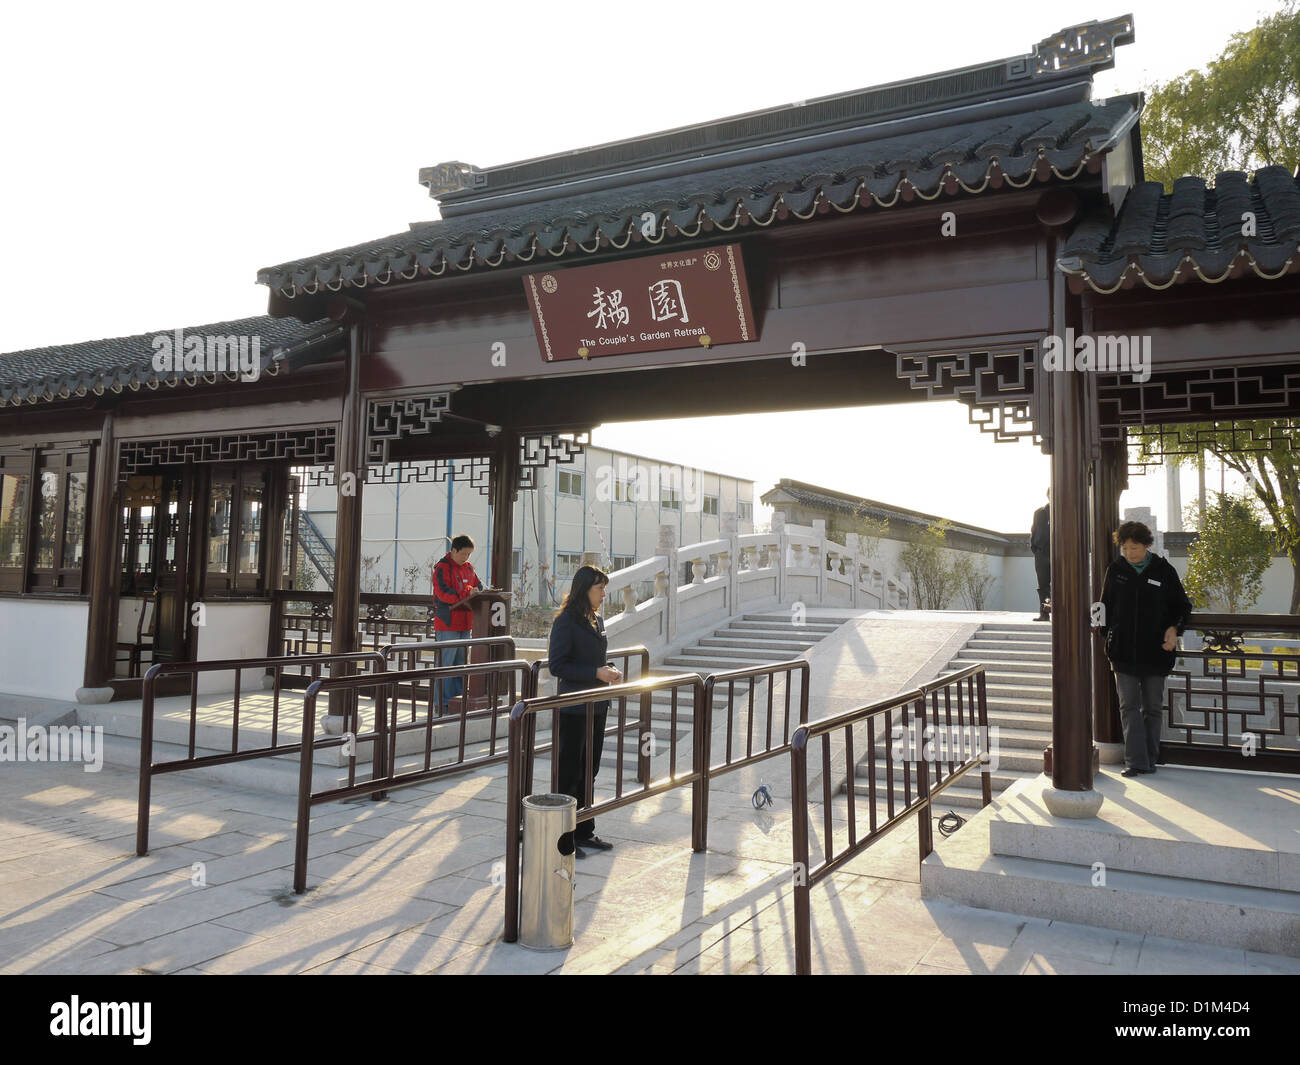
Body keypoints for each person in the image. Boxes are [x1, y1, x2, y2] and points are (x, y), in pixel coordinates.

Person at [1097, 520, 1193, 778]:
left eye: (1135, 548)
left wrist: (1175, 629)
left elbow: (1182, 606)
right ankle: (1136, 761)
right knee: (1128, 706)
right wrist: (1108, 636)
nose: (1130, 554)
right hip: (1123, 652)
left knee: (1152, 706)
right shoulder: (1116, 570)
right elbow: (1104, 606)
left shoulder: (1163, 570)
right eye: (1125, 548)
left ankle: (1150, 758)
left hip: (1156, 651)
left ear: (1147, 546)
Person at [547, 565, 622, 857]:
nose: (604, 594)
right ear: (584, 590)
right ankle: (562, 838)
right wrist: (595, 672)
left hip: (597, 704)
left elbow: (598, 657)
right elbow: (558, 666)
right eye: (599, 588)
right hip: (574, 707)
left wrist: (609, 670)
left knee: (590, 769)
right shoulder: (566, 621)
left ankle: (584, 830)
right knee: (569, 772)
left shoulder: (596, 619)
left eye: (604, 588)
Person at [431, 534, 483, 714]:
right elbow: (443, 593)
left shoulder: (469, 568)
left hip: (466, 623)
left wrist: (476, 592)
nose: (466, 558)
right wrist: (467, 593)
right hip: (448, 622)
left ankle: (458, 700)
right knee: (447, 663)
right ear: (454, 550)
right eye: (464, 554)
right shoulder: (442, 568)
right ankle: (442, 703)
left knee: (461, 663)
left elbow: (479, 587)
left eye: (469, 555)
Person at [1030, 489, 1051, 621]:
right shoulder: (1040, 513)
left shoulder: (1065, 511)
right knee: (1043, 586)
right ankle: (1044, 613)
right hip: (1041, 554)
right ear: (1048, 495)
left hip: (1059, 555)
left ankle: (1060, 613)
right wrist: (1035, 547)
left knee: (1060, 585)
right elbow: (1034, 530)